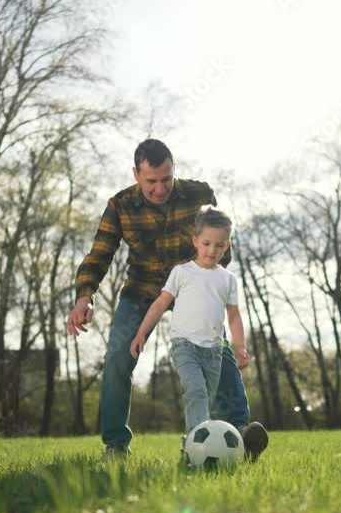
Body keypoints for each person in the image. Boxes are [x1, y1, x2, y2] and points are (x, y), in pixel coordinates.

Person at [66, 138, 268, 460]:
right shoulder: (120, 206)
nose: (160, 189)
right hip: (142, 290)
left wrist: (205, 282)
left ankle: (240, 432)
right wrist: (84, 297)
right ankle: (116, 446)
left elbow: (220, 242)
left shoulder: (199, 195)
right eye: (151, 181)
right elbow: (100, 254)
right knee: (118, 356)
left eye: (166, 179)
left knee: (215, 347)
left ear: (174, 170)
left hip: (192, 283)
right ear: (136, 174)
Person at [129, 208, 248, 460]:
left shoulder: (228, 279)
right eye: (206, 243)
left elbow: (234, 316)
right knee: (196, 391)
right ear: (195, 241)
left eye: (219, 245)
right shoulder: (182, 272)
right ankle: (195, 447)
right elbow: (160, 304)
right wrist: (141, 333)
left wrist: (239, 347)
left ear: (227, 246)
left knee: (207, 399)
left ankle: (198, 447)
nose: (212, 250)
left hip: (214, 350)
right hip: (185, 345)